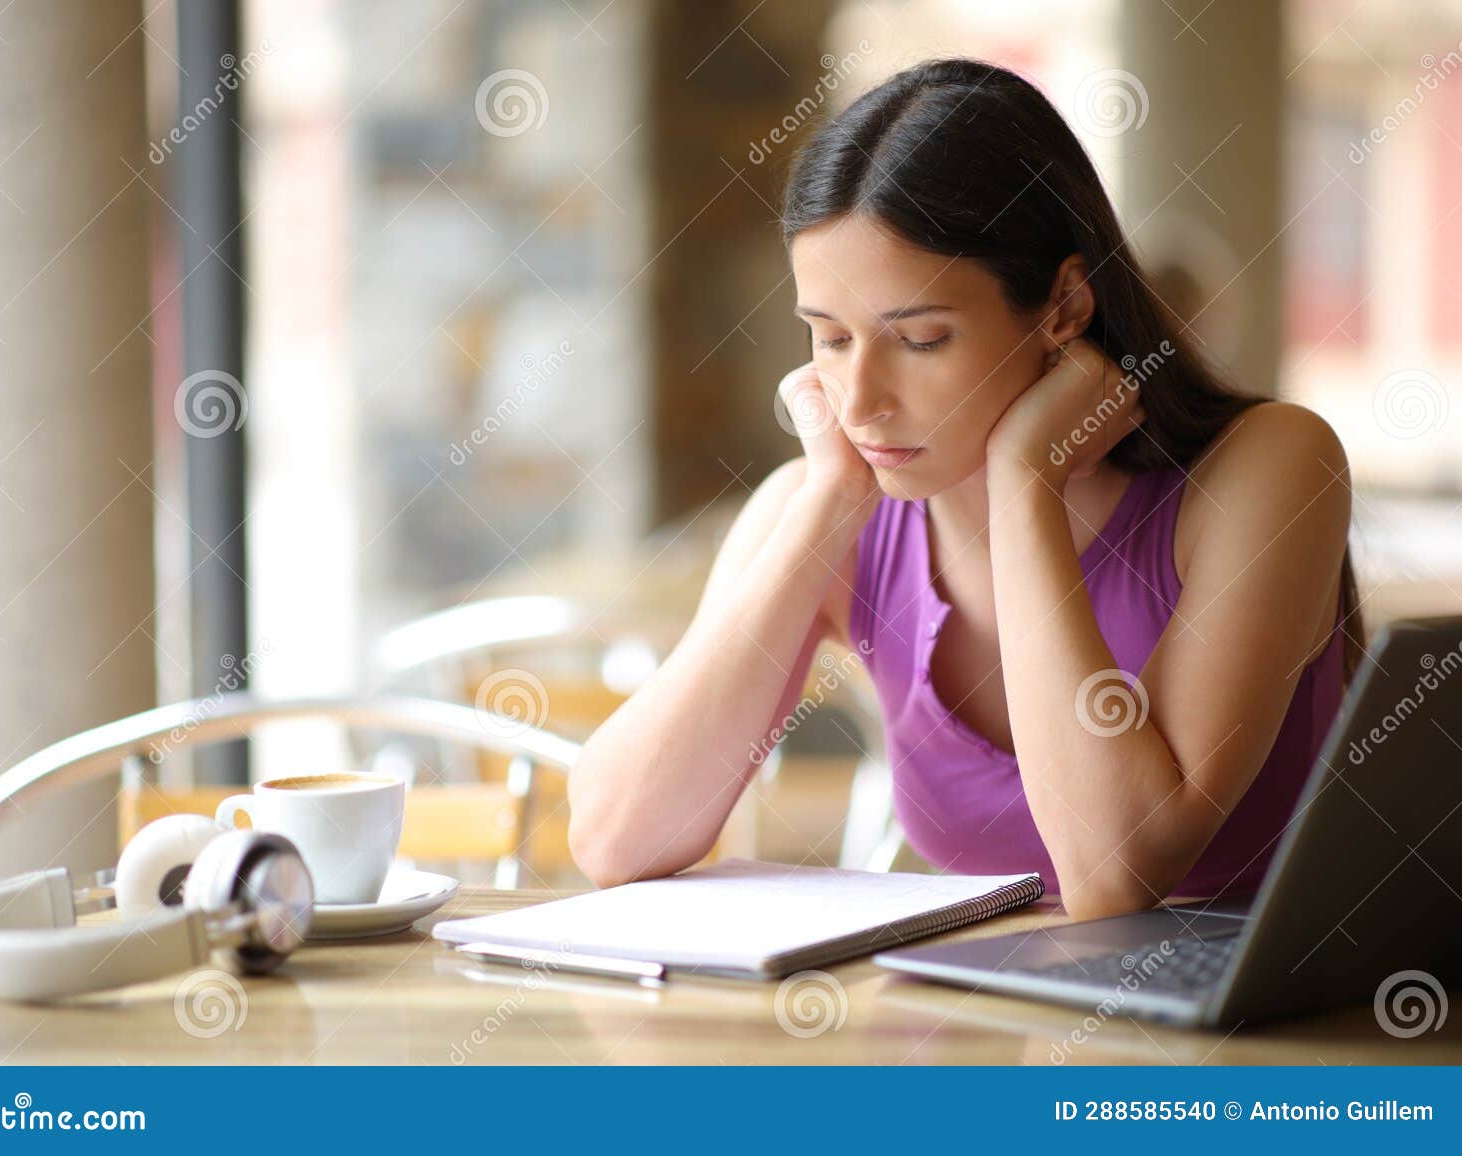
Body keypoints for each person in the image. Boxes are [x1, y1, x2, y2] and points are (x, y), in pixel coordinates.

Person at [567, 58, 1358, 919]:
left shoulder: (1268, 468)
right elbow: (615, 838)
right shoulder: (835, 507)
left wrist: (1028, 485)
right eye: (829, 339)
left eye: (921, 339)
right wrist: (829, 500)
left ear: (1063, 306)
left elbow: (1114, 875)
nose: (861, 400)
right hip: (989, 1037)